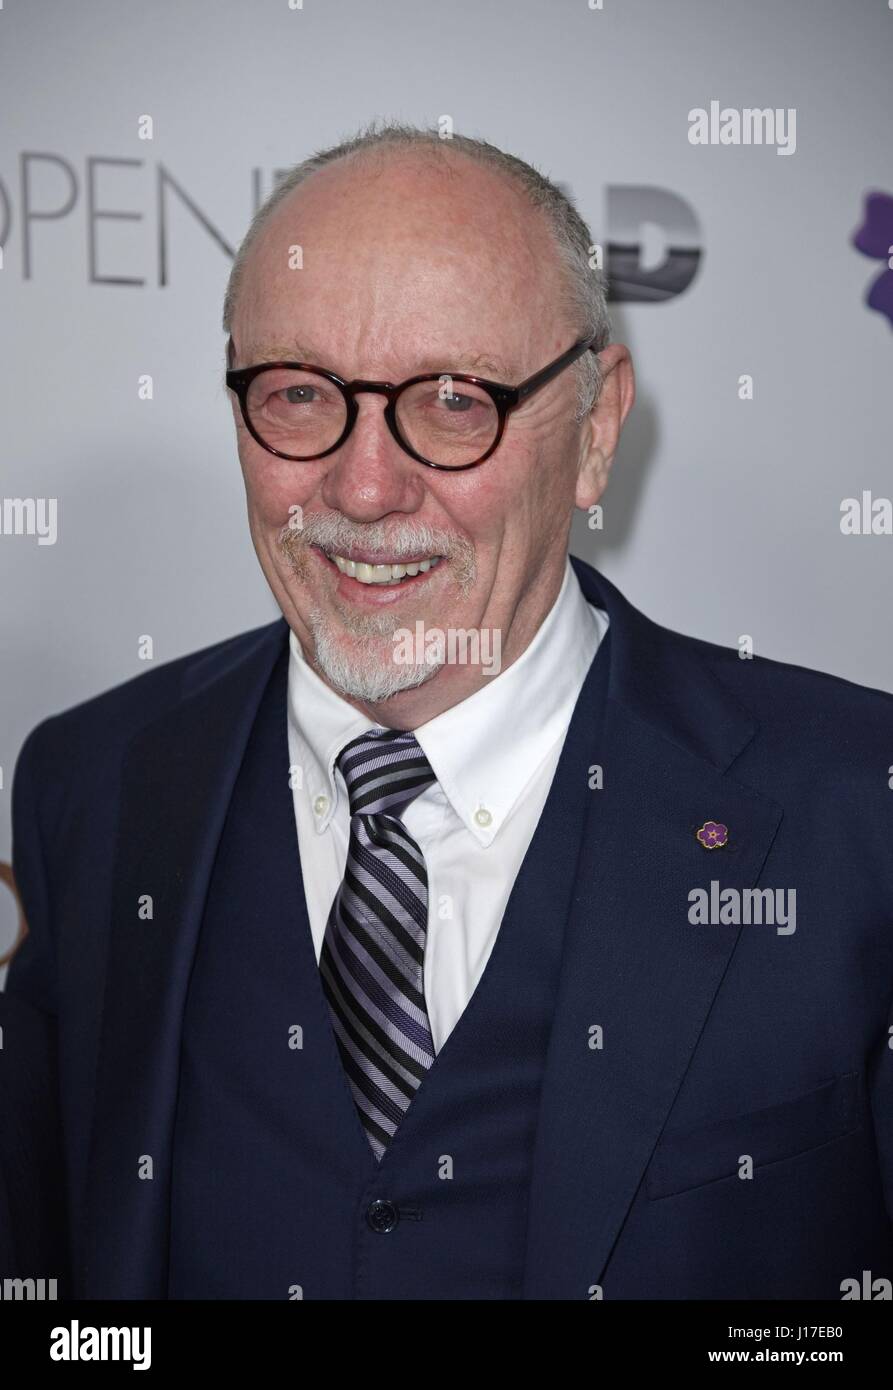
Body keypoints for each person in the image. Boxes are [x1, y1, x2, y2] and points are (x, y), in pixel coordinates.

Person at [6, 122, 893, 1300]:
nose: (363, 488)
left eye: (452, 401)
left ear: (594, 431)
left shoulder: (850, 809)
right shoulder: (94, 782)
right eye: (299, 392)